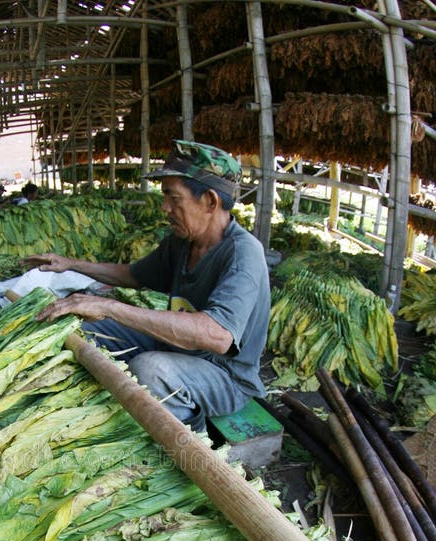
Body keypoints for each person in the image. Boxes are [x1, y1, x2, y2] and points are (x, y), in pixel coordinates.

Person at [35, 140, 270, 434]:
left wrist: (109, 306)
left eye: (174, 197)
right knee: (84, 326)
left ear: (210, 201)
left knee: (151, 370)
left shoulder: (243, 253)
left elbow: (217, 335)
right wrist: (70, 264)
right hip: (177, 349)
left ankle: (193, 442)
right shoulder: (182, 243)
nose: (164, 207)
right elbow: (134, 275)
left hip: (225, 376)